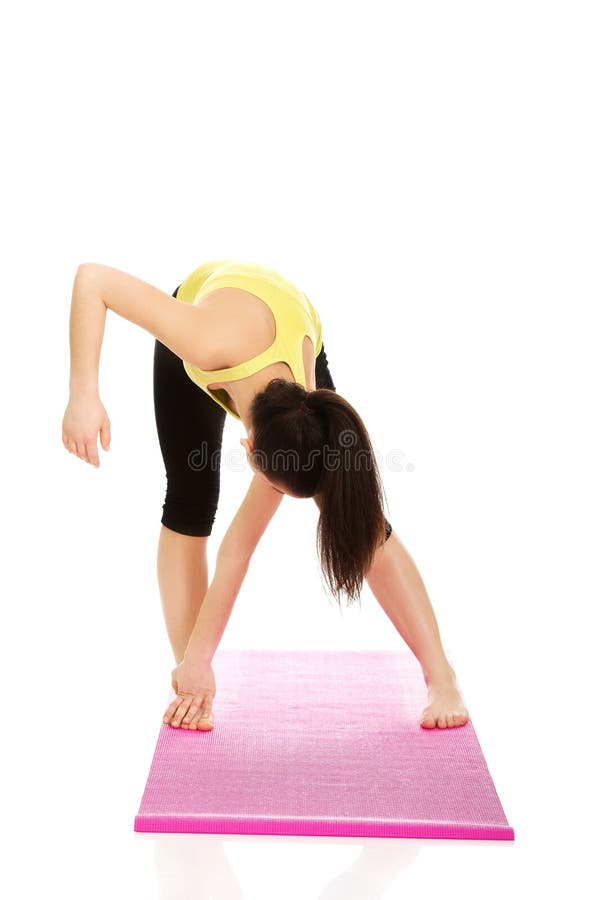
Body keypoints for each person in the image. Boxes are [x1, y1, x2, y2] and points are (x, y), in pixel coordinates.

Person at [62, 258, 469, 732]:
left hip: (288, 322)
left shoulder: (308, 411)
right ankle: (192, 683)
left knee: (357, 508)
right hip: (204, 322)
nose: (269, 494)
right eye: (273, 484)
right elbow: (93, 279)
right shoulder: (198, 336)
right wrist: (83, 394)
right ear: (250, 449)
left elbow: (239, 548)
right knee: (190, 502)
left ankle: (442, 675)